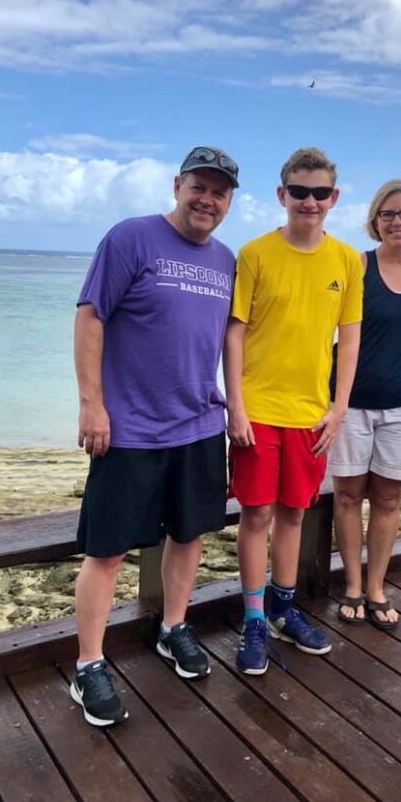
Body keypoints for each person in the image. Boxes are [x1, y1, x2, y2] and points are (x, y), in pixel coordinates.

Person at [70, 146, 239, 726]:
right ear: (177, 185)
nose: (208, 199)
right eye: (200, 186)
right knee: (108, 550)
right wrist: (92, 405)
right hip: (131, 429)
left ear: (228, 201)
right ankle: (89, 665)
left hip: (198, 426)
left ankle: (173, 628)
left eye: (220, 192)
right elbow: (91, 315)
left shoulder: (225, 260)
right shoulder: (130, 239)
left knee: (189, 536)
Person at [225, 147, 363, 675]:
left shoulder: (347, 261)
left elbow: (348, 342)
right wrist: (235, 405)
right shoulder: (255, 253)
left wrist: (339, 407)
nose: (310, 201)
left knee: (295, 512)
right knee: (256, 513)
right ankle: (255, 619)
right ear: (282, 195)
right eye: (299, 192)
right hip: (258, 408)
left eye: (320, 192)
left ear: (334, 197)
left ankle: (284, 609)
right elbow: (234, 331)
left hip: (311, 414)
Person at [328, 179, 401, 630]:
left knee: (389, 499)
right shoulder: (356, 264)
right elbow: (325, 328)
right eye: (388, 214)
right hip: (352, 404)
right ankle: (352, 585)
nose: (398, 221)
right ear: (375, 220)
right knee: (349, 495)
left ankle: (376, 587)